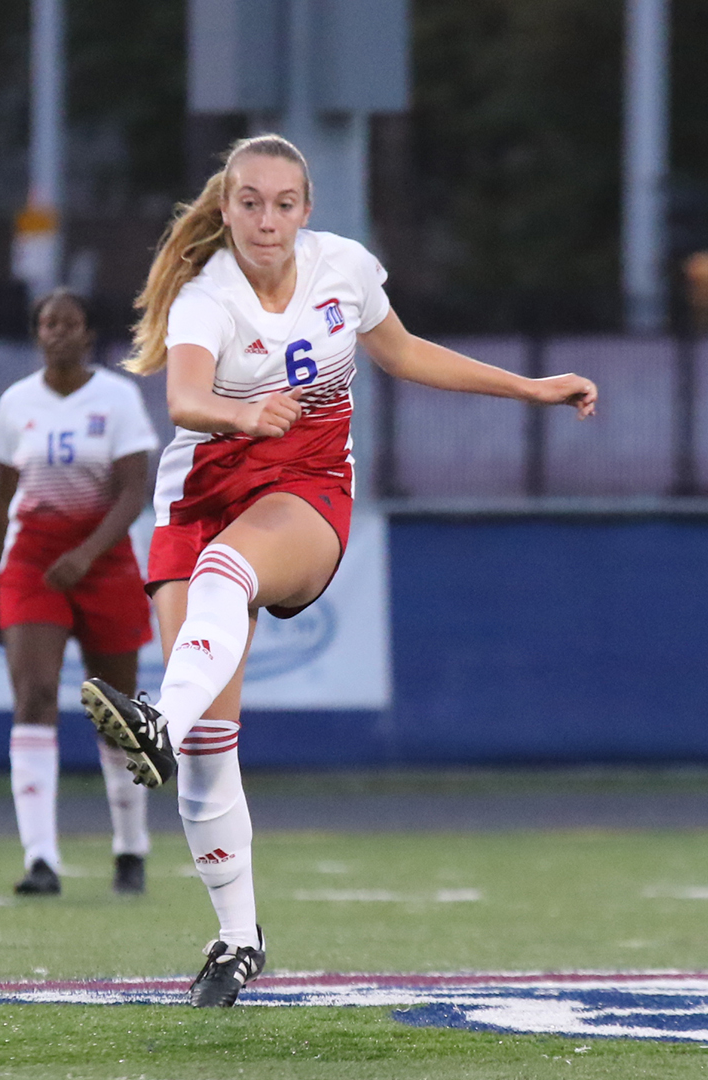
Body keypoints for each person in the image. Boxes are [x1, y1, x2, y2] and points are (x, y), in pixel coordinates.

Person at [80, 134, 599, 1007]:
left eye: (285, 203)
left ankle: (157, 723)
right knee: (210, 747)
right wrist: (242, 413)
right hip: (200, 492)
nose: (267, 220)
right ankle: (238, 939)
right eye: (250, 202)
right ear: (227, 207)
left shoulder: (343, 268)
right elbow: (184, 400)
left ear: (307, 209)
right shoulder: (208, 295)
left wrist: (531, 386)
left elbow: (404, 352)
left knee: (223, 576)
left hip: (306, 489)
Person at [0, 289, 162, 897]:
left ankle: (130, 849)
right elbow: (3, 501)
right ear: (37, 334)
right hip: (33, 561)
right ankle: (41, 860)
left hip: (103, 559)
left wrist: (86, 554)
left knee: (115, 712)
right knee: (33, 695)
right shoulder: (16, 403)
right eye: (47, 323)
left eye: (70, 323)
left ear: (88, 334)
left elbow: (134, 491)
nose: (58, 332)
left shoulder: (116, 398)